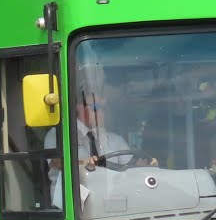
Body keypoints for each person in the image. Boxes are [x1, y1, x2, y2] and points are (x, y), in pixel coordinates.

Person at [42, 67, 155, 208]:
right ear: (79, 107)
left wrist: (143, 166)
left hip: (111, 208)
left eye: (104, 108)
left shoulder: (115, 140)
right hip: (72, 209)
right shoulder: (58, 135)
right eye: (96, 107)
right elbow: (57, 162)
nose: (101, 112)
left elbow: (129, 166)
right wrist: (83, 164)